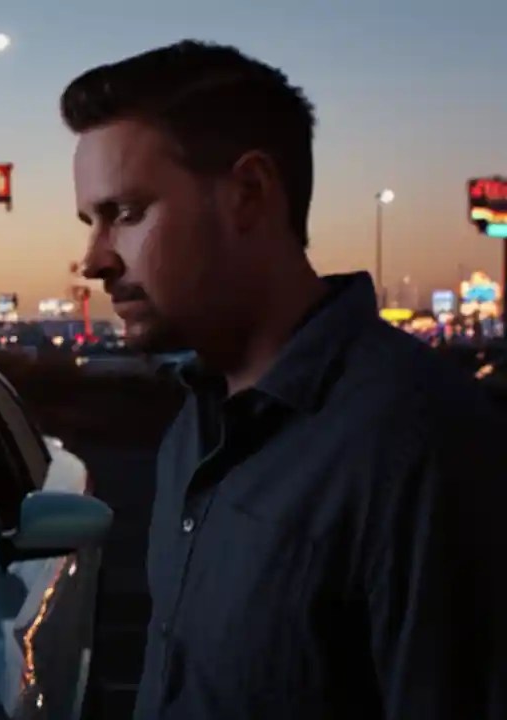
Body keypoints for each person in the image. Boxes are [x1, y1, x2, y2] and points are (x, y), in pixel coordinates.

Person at [61, 40, 506, 719]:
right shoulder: (196, 426)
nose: (92, 260)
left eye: (125, 214)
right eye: (91, 221)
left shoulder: (422, 444)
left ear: (249, 193)